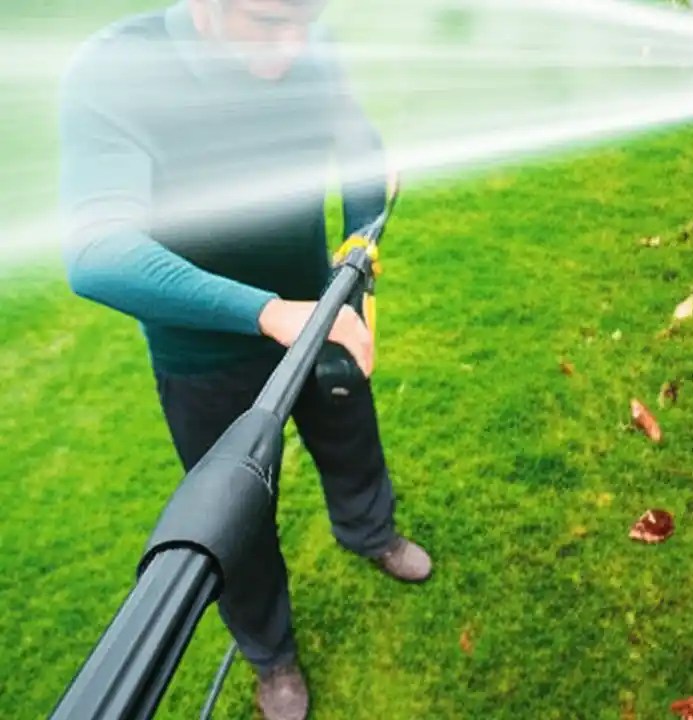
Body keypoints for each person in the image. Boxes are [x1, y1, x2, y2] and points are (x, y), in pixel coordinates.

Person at [56, 1, 430, 718]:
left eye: (303, 25)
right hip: (205, 356)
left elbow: (356, 141)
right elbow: (98, 252)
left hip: (320, 316)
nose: (290, 49)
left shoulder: (308, 41)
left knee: (352, 440)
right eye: (265, 25)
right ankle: (271, 654)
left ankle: (370, 532)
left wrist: (358, 248)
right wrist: (270, 313)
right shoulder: (119, 69)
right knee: (238, 513)